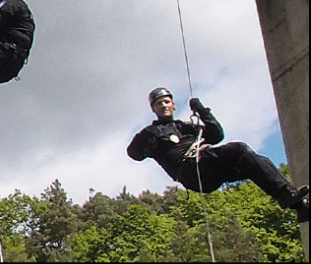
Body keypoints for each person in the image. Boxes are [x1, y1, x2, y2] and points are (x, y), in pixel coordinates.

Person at [128, 88, 309, 223]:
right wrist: (150, 146)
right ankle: (288, 196)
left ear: (173, 105)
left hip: (207, 169)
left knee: (255, 161)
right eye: (159, 104)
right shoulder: (150, 132)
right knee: (239, 148)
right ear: (154, 109)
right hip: (191, 170)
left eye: (166, 102)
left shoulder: (186, 127)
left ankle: (298, 206)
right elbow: (133, 153)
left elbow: (216, 136)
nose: (164, 106)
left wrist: (203, 112)